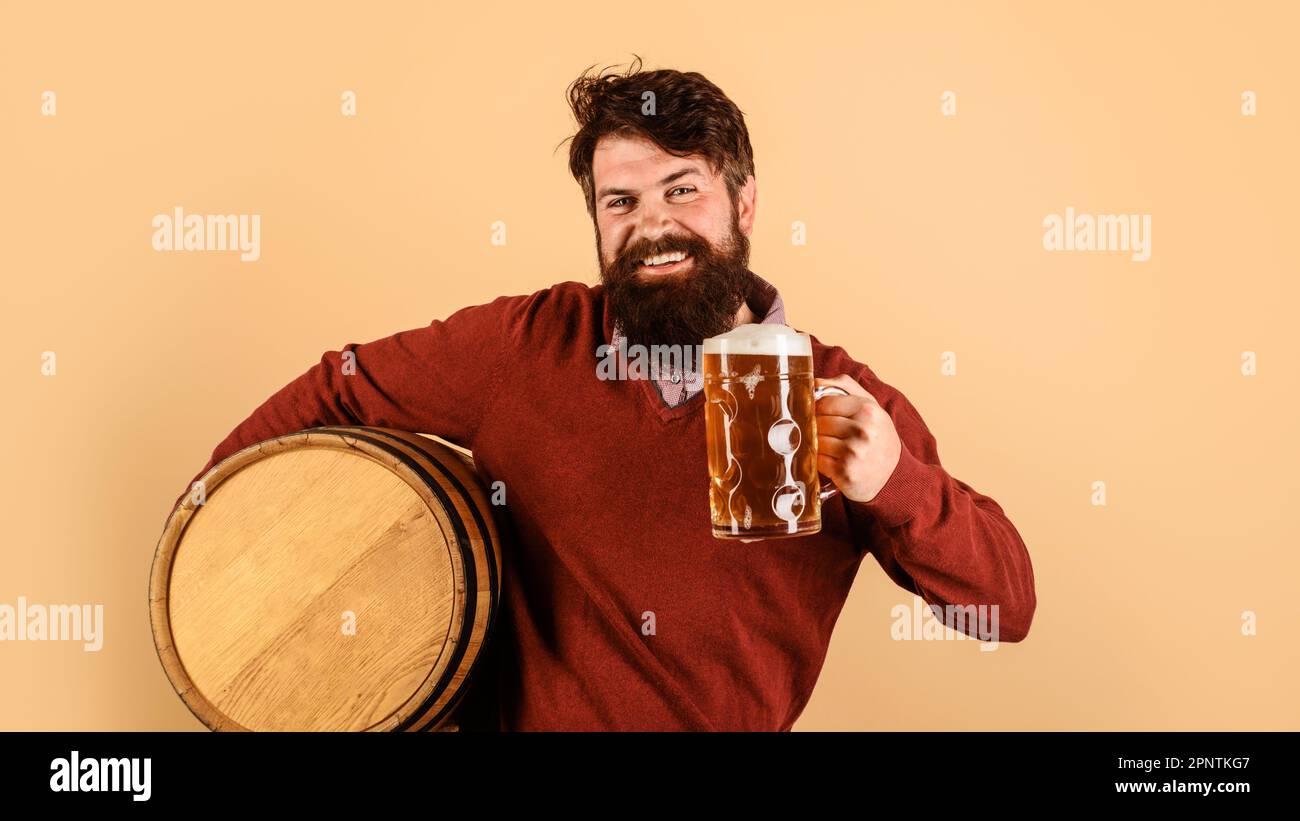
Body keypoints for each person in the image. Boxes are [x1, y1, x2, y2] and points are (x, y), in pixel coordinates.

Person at [175, 57, 1036, 731]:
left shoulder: (840, 400)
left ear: (744, 201)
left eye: (682, 189)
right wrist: (211, 533)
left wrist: (897, 484)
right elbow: (342, 387)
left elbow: (1005, 611)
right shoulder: (526, 343)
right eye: (620, 199)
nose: (652, 224)